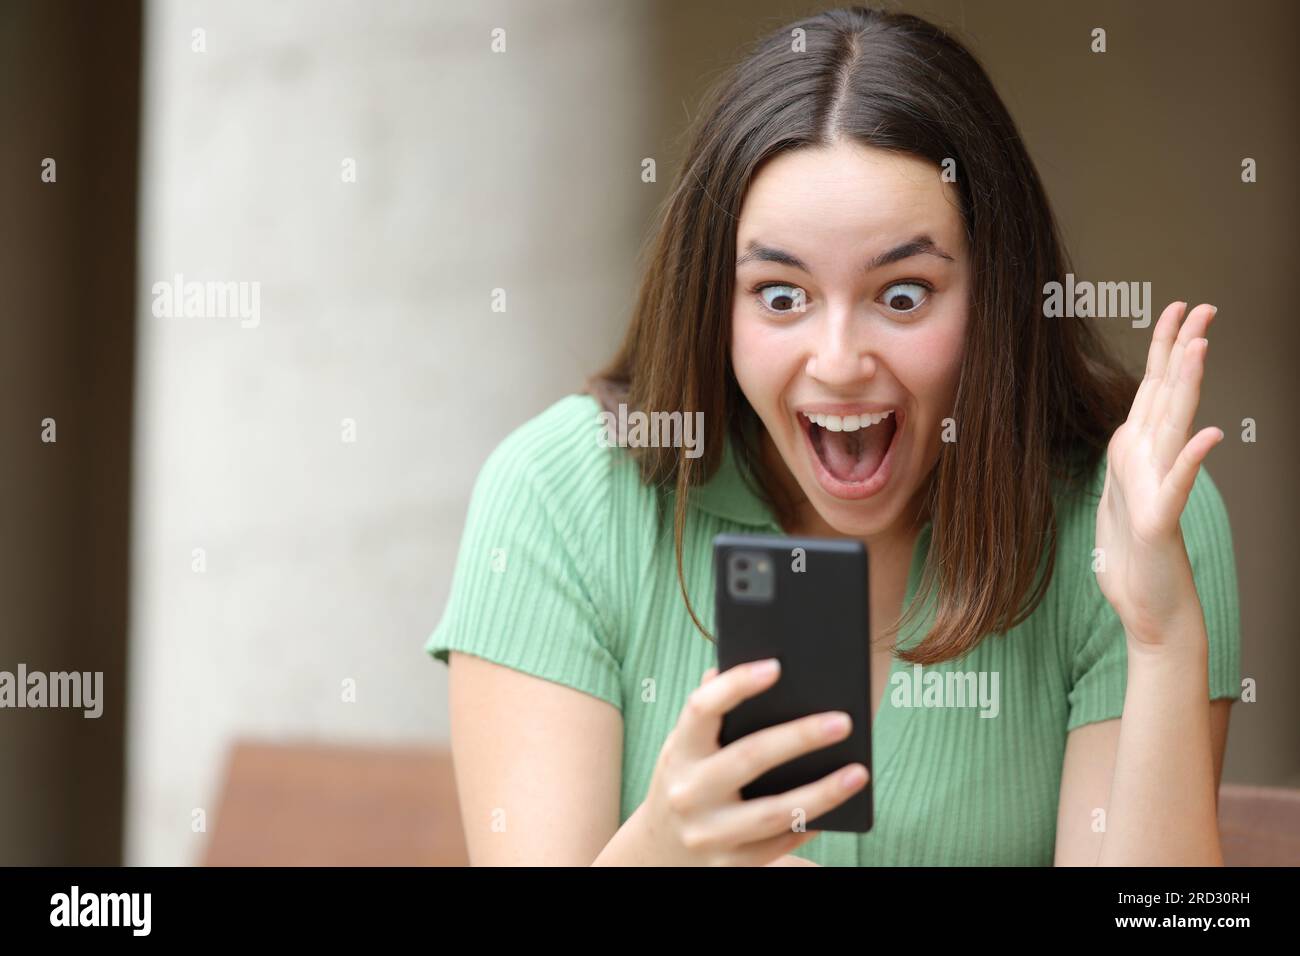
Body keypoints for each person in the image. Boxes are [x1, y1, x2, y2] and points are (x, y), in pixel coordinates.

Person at [426, 5, 1239, 866]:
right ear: (714, 304)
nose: (840, 362)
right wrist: (666, 847)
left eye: (903, 294)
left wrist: (1161, 638)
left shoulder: (1138, 514)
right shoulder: (561, 498)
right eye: (781, 295)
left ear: (996, 299)